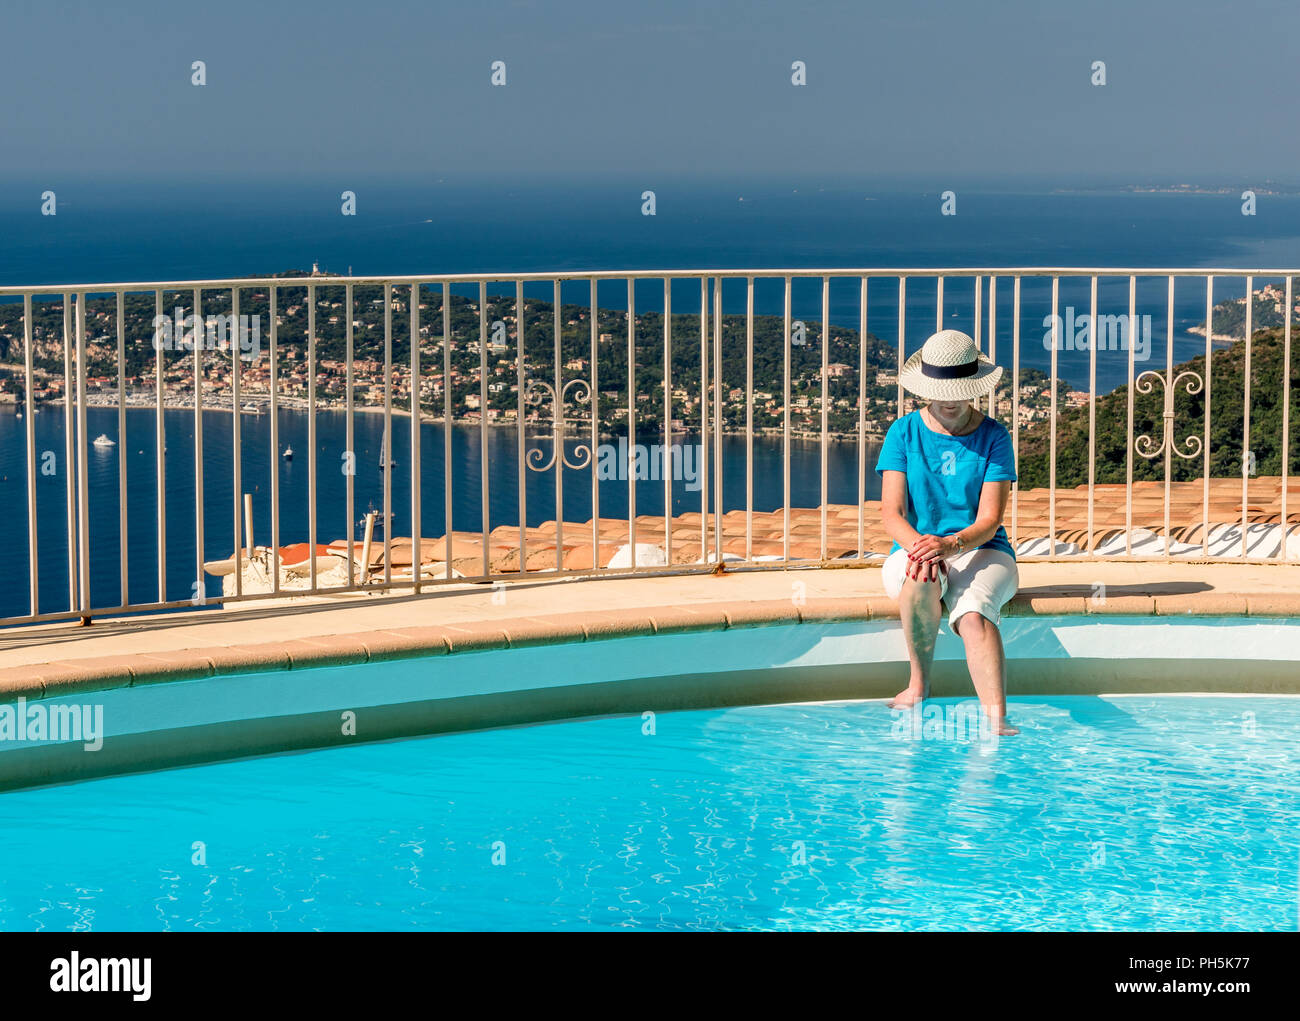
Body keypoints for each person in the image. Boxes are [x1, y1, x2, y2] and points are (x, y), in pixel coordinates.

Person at [874, 329, 1020, 736]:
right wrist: (923, 551)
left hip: (983, 549)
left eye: (959, 388)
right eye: (941, 389)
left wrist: (951, 544)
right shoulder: (903, 433)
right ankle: (919, 685)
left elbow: (990, 520)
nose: (950, 399)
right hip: (914, 546)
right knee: (918, 580)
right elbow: (892, 513)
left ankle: (997, 720)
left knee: (973, 612)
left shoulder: (994, 436)